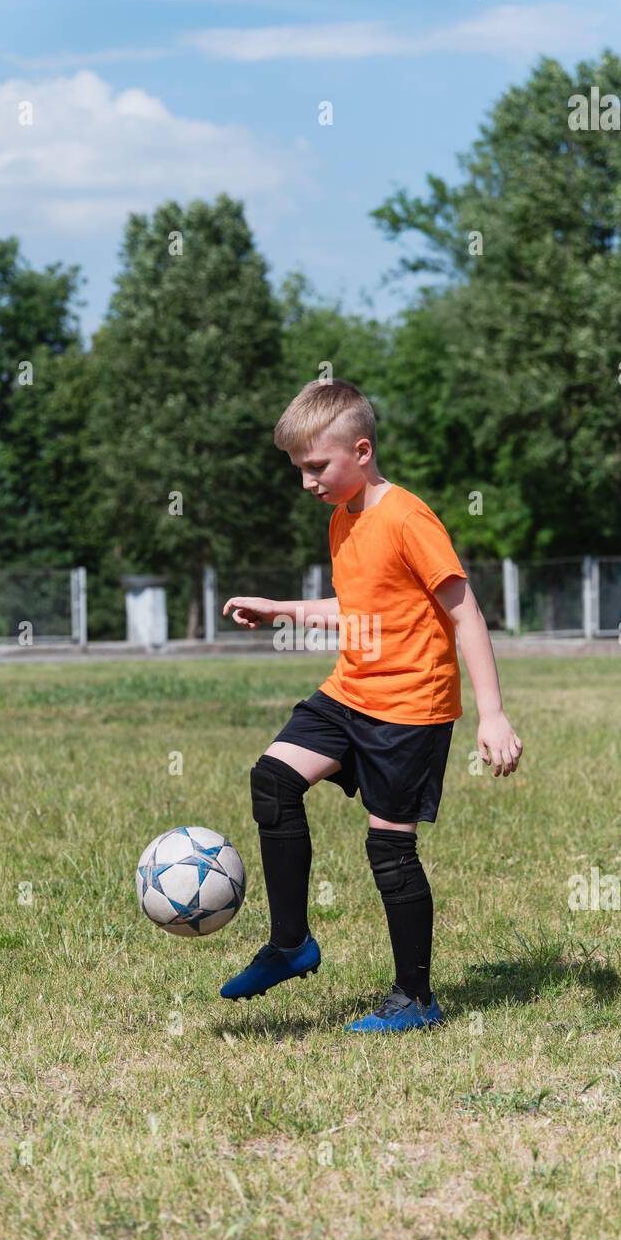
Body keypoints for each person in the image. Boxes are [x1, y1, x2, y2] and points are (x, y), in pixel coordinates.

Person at [220, 378, 523, 1032]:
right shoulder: (342, 517)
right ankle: (290, 945)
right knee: (273, 780)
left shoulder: (408, 517)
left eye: (316, 467)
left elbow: (464, 611)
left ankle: (415, 1000)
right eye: (299, 469)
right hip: (349, 692)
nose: (308, 482)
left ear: (361, 450)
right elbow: (359, 611)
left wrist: (491, 713)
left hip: (410, 708)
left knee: (389, 851)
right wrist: (284, 609)